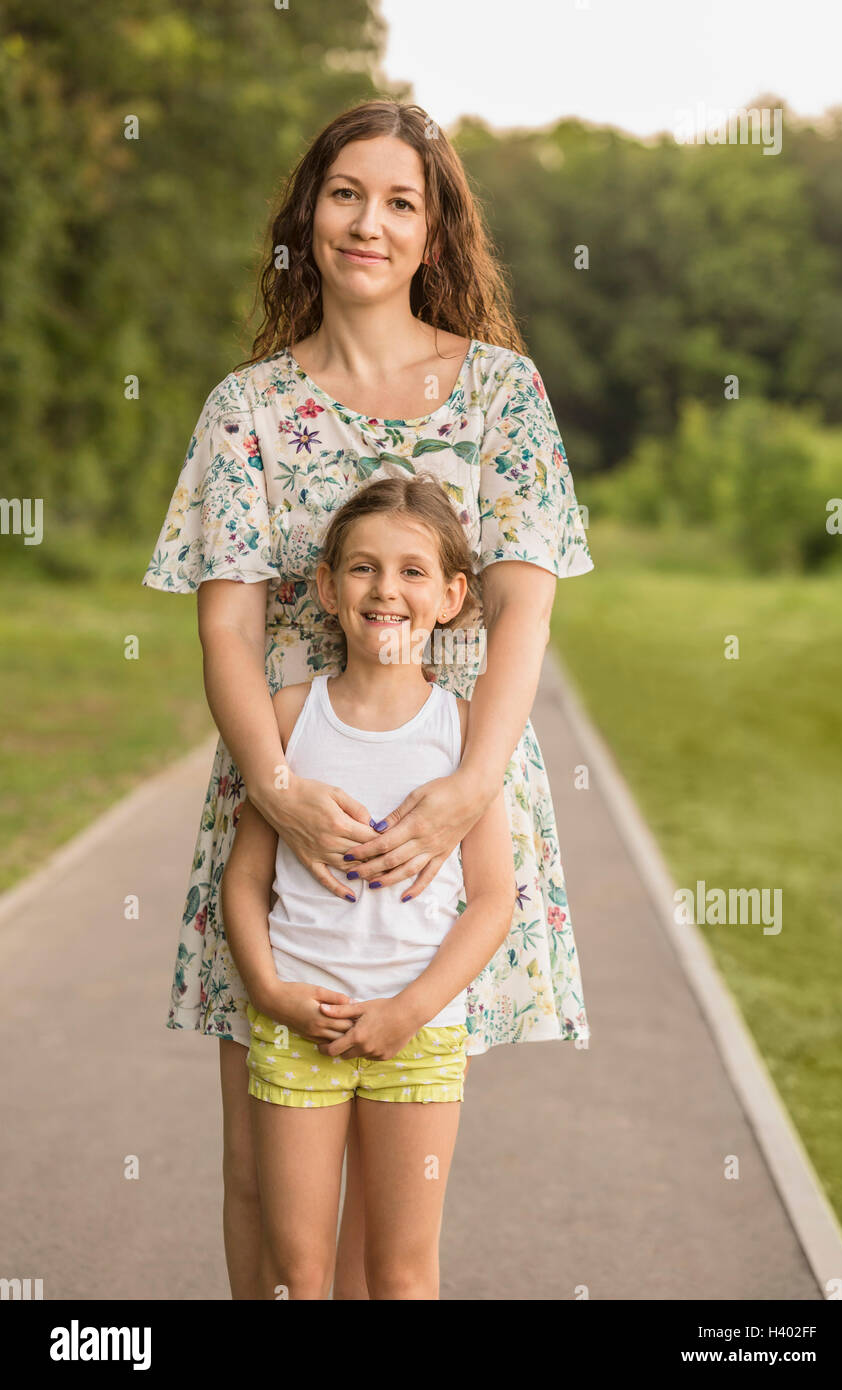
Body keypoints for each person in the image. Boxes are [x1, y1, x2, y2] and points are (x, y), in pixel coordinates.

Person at [142, 98, 594, 1300]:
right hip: (290, 789)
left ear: (436, 231)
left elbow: (524, 608)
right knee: (264, 1168)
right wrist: (280, 794)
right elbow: (228, 622)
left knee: (394, 1197)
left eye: (402, 200)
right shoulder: (247, 409)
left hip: (452, 795)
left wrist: (466, 789)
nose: (370, 222)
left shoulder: (501, 392)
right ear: (308, 216)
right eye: (346, 193)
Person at [221, 474, 515, 1300]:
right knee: (296, 1272)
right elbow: (243, 881)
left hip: (417, 1033)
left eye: (413, 572)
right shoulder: (288, 717)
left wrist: (409, 1010)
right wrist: (271, 993)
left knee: (401, 1270)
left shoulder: (461, 733)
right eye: (362, 568)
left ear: (453, 596)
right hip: (295, 1028)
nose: (386, 589)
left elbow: (494, 899)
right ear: (326, 586)